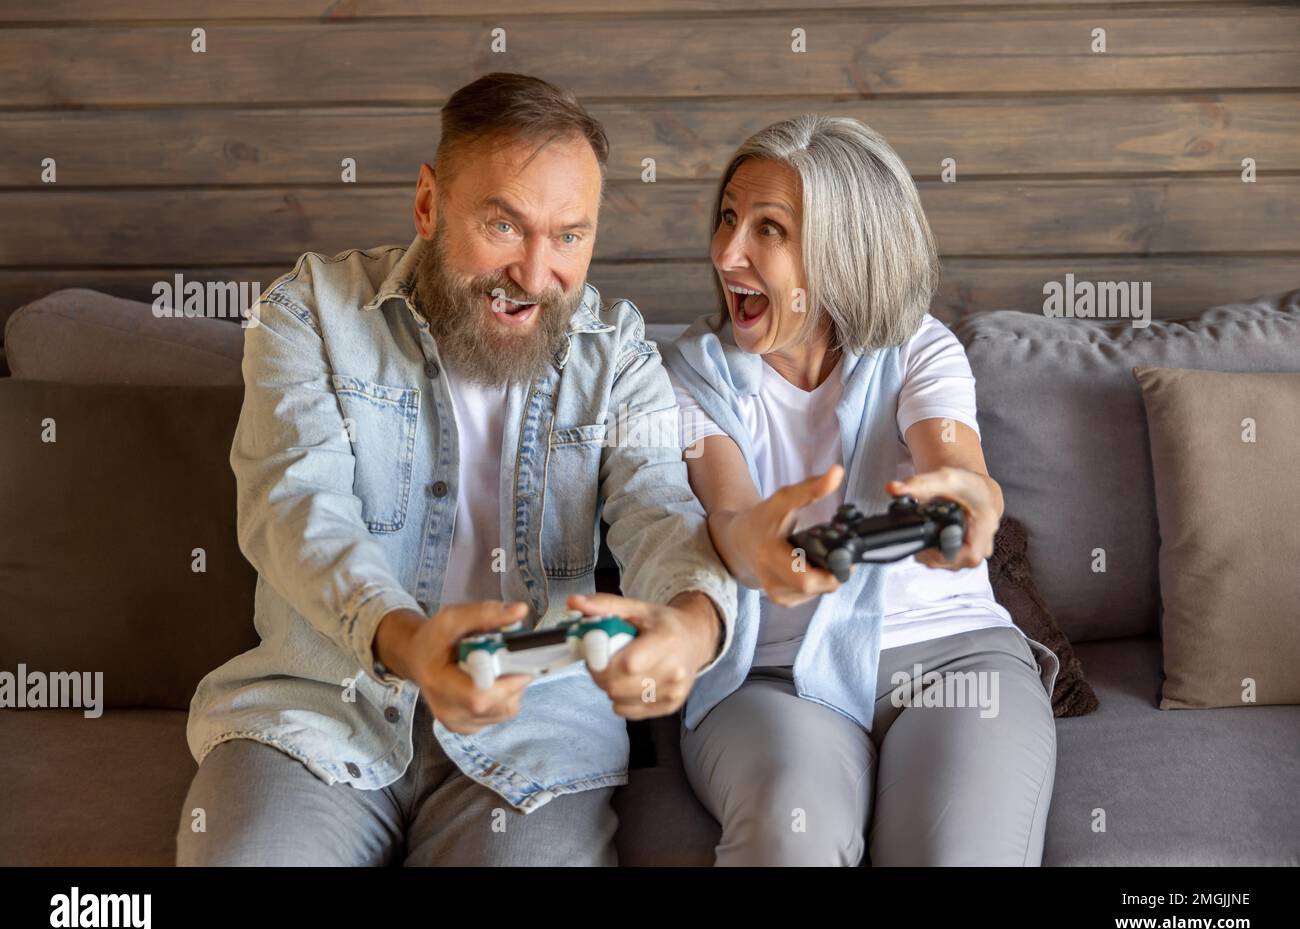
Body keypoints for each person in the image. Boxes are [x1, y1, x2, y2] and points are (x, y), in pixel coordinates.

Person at [176, 73, 735, 867]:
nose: (537, 274)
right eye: (505, 224)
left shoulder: (621, 357)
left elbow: (660, 509)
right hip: (319, 714)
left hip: (534, 736)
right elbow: (295, 507)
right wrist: (408, 642)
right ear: (429, 204)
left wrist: (692, 624)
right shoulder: (307, 314)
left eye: (570, 235)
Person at [663, 115, 1060, 866]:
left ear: (842, 253)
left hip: (953, 659)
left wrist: (967, 500)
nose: (726, 251)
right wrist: (759, 549)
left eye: (767, 229)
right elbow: (730, 505)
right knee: (789, 838)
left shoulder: (917, 349)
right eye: (727, 217)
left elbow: (955, 458)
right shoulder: (693, 373)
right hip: (772, 675)